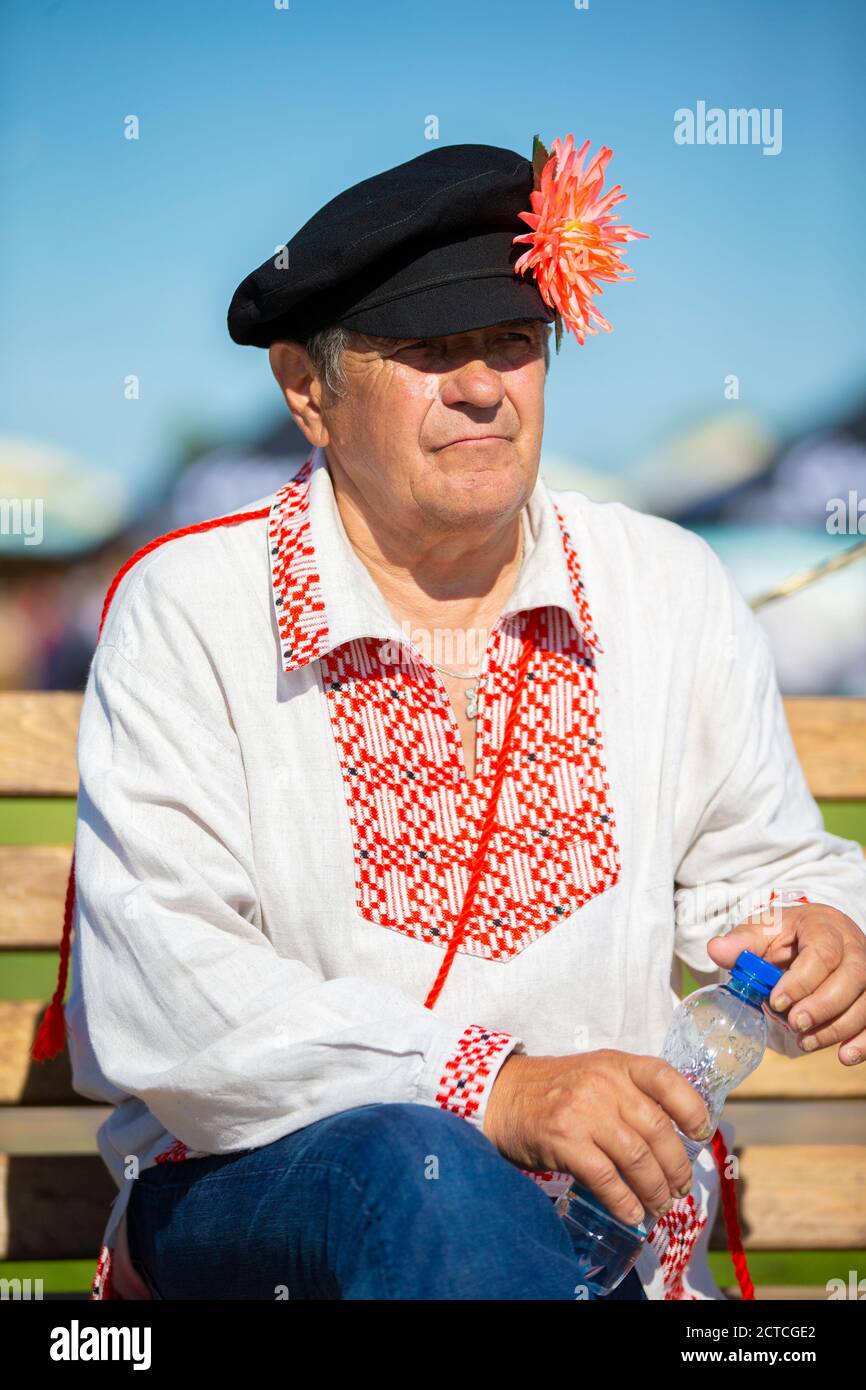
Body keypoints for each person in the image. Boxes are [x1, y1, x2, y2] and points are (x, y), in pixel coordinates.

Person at [43, 139, 866, 1301]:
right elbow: (168, 995)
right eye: (429, 351)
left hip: (592, 1235)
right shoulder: (192, 611)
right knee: (422, 1174)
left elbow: (754, 872)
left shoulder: (662, 585)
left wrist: (812, 933)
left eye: (513, 345)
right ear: (305, 388)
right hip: (266, 1194)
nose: (483, 385)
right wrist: (495, 1089)